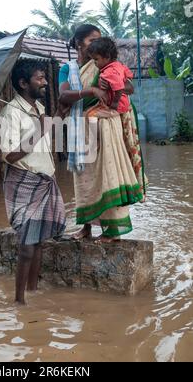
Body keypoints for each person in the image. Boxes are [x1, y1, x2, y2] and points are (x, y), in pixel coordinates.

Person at [59, 24, 146, 243]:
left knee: (109, 174)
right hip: (82, 128)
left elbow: (129, 88)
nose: (95, 44)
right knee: (85, 177)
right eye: (91, 40)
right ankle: (86, 228)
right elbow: (63, 97)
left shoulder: (107, 63)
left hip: (107, 125)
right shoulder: (68, 68)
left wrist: (110, 87)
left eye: (99, 40)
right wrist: (91, 91)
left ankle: (112, 231)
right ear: (79, 43)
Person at [0, 59, 67, 305]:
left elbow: (44, 140)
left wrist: (58, 114)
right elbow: (9, 155)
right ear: (23, 83)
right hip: (24, 181)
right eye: (40, 78)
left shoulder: (38, 107)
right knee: (27, 245)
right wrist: (38, 130)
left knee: (38, 243)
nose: (46, 83)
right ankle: (18, 301)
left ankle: (33, 291)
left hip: (44, 179)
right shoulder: (10, 113)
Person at [87, 36, 133, 113]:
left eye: (96, 59)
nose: (94, 62)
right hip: (124, 102)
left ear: (107, 57)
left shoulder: (109, 72)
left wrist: (115, 102)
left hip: (116, 105)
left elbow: (119, 87)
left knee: (89, 115)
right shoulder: (119, 65)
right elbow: (129, 75)